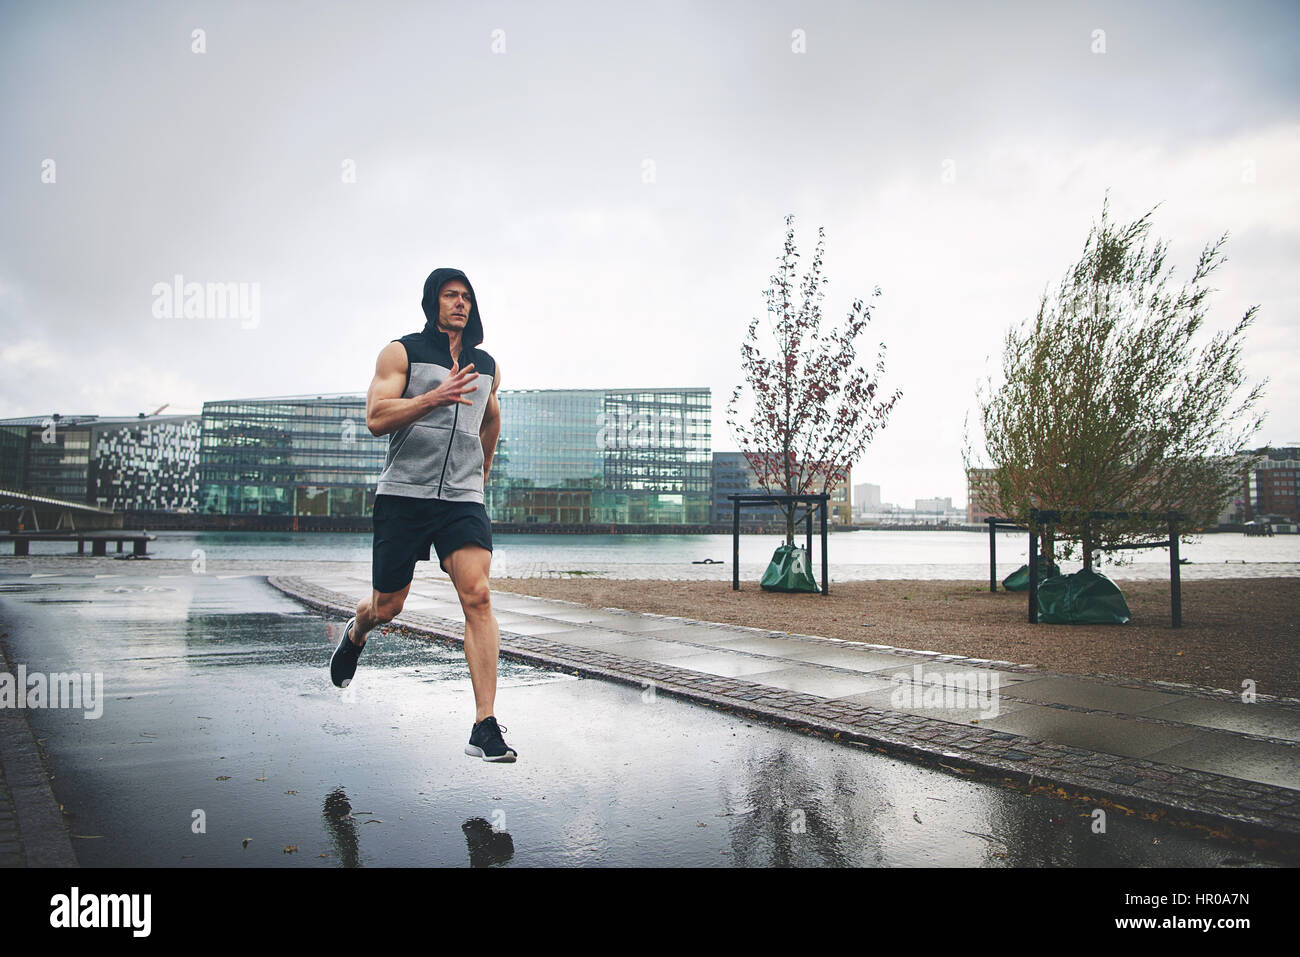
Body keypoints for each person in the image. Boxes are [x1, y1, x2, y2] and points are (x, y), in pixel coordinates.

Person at [329, 267, 515, 762]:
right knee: (387, 607)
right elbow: (375, 419)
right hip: (404, 496)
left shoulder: (486, 365)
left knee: (478, 595)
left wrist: (481, 475)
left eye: (467, 297)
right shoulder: (402, 352)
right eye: (451, 296)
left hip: (460, 498)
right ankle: (357, 632)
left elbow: (491, 416)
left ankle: (485, 724)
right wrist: (433, 397)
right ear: (433, 302)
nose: (461, 303)